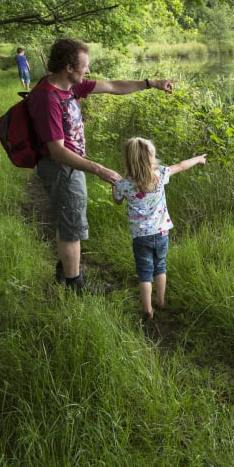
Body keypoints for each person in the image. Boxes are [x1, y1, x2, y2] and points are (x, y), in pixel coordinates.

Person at [29, 38, 178, 293]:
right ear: (68, 67)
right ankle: (75, 285)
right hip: (62, 170)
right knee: (72, 227)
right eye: (84, 66)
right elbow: (57, 151)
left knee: (70, 222)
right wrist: (97, 168)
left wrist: (150, 84)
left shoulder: (70, 88)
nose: (87, 71)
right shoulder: (48, 99)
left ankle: (66, 270)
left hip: (71, 169)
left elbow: (112, 86)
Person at [111, 137, 207, 319]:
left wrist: (114, 187)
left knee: (144, 272)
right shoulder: (161, 175)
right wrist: (198, 159)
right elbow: (181, 165)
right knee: (160, 267)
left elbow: (117, 201)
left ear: (128, 160)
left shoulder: (123, 184)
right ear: (151, 158)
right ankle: (161, 301)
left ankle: (147, 309)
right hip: (162, 232)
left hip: (141, 236)